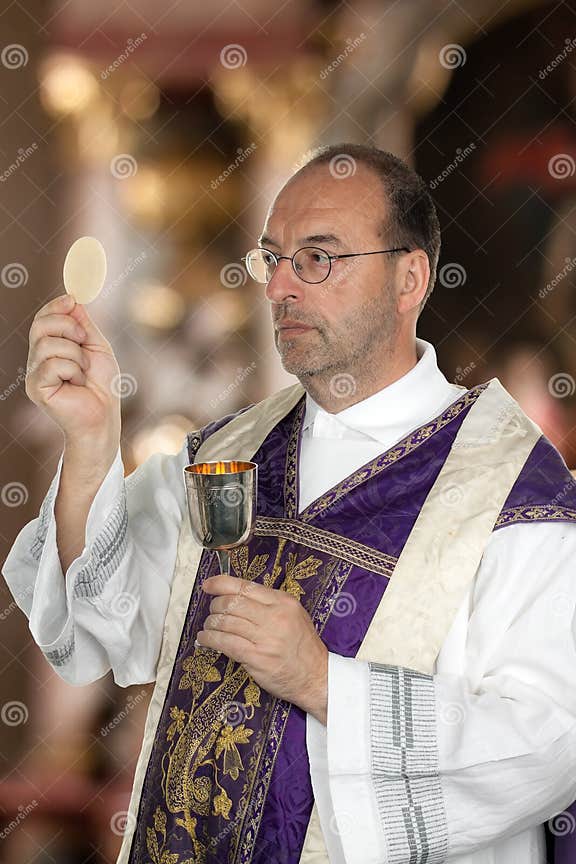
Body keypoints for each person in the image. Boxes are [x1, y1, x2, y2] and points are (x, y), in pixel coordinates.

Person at [3, 142, 576, 864]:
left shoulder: (514, 495)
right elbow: (94, 626)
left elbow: (552, 745)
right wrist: (92, 440)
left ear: (410, 278)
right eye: (274, 258)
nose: (279, 288)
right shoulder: (224, 453)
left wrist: (324, 683)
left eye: (319, 257)